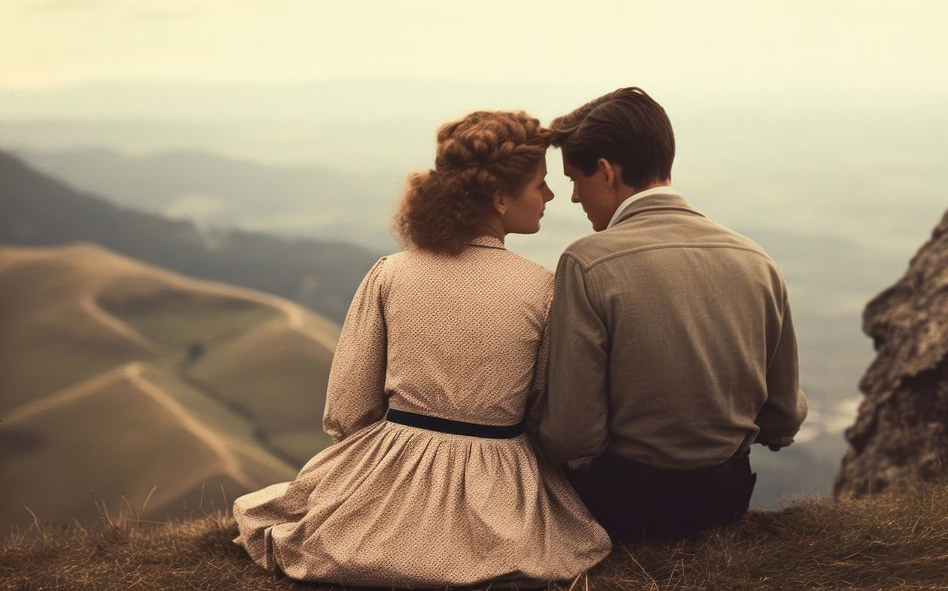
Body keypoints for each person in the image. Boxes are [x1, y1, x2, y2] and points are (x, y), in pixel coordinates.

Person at [232, 110, 611, 588]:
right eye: (540, 184)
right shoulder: (543, 288)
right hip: (498, 481)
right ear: (499, 199)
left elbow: (349, 409)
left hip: (390, 461)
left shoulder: (391, 272)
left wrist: (374, 472)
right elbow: (541, 411)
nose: (550, 196)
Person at [538, 87, 808, 542]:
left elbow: (572, 436)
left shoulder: (586, 262)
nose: (574, 199)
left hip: (622, 504)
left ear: (605, 172)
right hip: (727, 497)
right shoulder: (755, 258)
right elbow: (782, 418)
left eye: (573, 181)